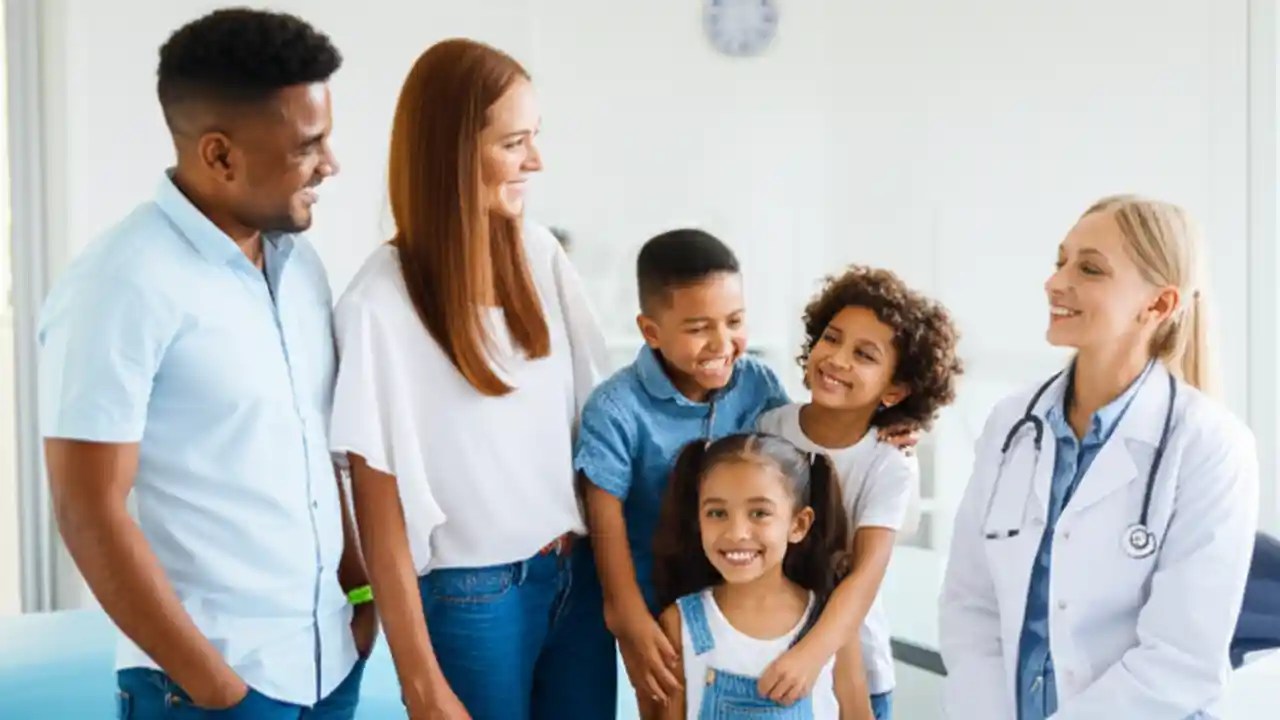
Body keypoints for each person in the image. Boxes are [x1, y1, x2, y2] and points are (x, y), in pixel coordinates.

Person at [38, 9, 372, 719]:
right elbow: (87, 508)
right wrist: (215, 687)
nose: (331, 164)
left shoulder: (298, 264)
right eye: (309, 145)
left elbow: (316, 444)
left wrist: (361, 595)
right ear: (219, 155)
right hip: (214, 688)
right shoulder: (119, 284)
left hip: (328, 667)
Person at [328, 38, 614, 720]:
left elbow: (611, 417)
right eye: (515, 142)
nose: (536, 161)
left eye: (534, 137)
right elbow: (382, 519)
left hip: (577, 577)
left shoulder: (539, 255)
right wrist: (419, 682)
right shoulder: (378, 305)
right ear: (453, 153)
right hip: (471, 601)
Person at [939, 195, 1259, 719]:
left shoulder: (1211, 445)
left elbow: (1180, 660)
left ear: (1157, 306)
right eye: (1060, 261)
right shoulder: (1011, 424)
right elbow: (971, 606)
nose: (1055, 282)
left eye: (1089, 269)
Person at [575, 229, 791, 717]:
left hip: (745, 601)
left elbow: (798, 456)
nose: (722, 343)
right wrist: (629, 616)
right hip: (659, 608)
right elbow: (604, 518)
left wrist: (888, 427)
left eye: (734, 321)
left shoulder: (758, 383)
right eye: (698, 328)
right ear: (651, 332)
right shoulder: (616, 407)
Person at [756, 265, 963, 719]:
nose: (838, 359)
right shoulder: (767, 428)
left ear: (894, 390)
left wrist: (810, 656)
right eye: (831, 338)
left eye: (865, 355)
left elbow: (864, 576)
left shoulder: (888, 462)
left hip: (854, 676)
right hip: (762, 657)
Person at [652, 433, 851, 718]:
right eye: (717, 513)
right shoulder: (679, 622)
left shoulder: (830, 621)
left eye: (759, 513)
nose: (736, 533)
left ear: (798, 524)